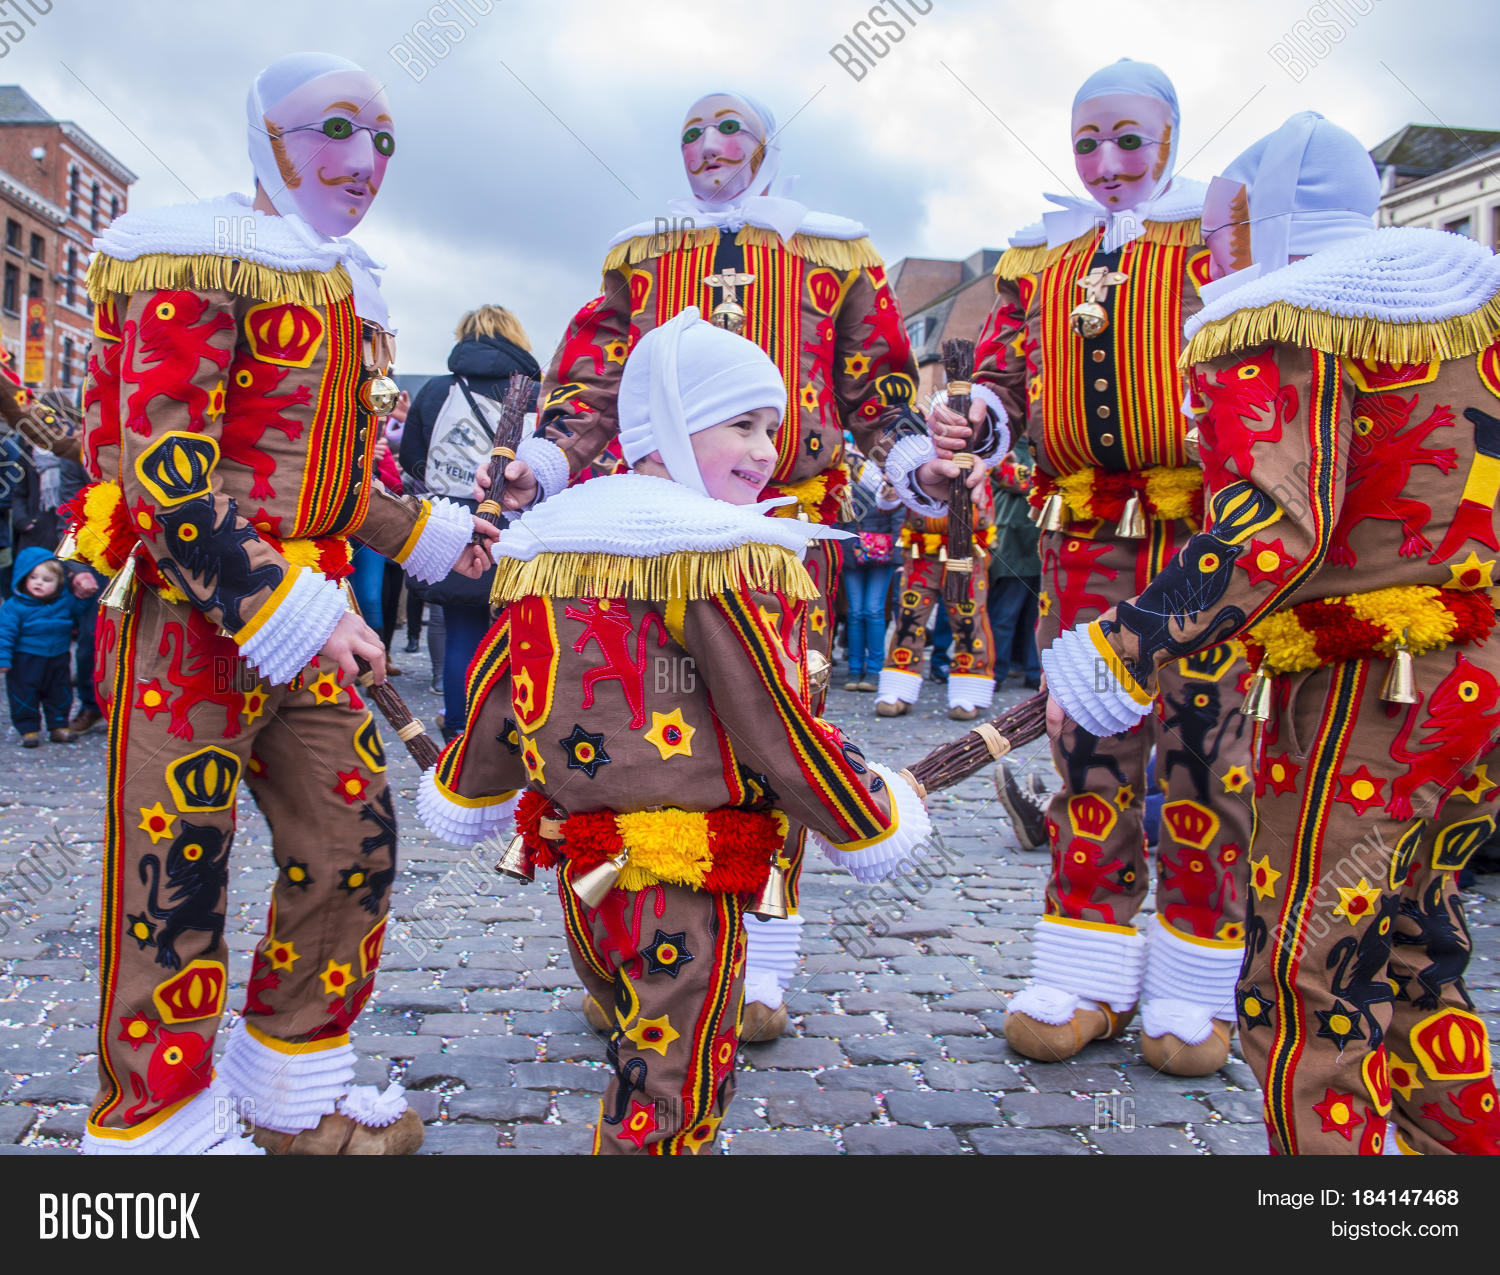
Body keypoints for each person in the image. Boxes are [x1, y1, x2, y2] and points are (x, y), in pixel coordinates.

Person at [1047, 112, 1500, 1155]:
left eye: (1214, 238)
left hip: (1362, 691)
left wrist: (1125, 645)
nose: (1206, 262)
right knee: (1414, 953)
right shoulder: (1465, 321)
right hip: (1473, 677)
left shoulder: (1281, 317)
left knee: (1309, 971)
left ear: (1251, 227)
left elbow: (1272, 526)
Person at [70, 52, 495, 1155]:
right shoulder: (196, 261)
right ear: (267, 138)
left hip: (311, 622)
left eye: (382, 139)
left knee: (354, 838)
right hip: (195, 621)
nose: (365, 160)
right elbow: (166, 477)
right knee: (175, 871)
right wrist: (291, 604)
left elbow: (327, 481)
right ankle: (157, 1121)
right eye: (336, 130)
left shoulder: (338, 285)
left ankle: (289, 1085)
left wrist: (433, 533)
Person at [497, 90, 979, 1039]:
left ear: (766, 147)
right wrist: (543, 459)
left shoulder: (832, 252)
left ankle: (759, 953)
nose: (708, 145)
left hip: (785, 533)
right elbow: (592, 380)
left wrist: (916, 459)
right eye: (690, 131)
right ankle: (634, 939)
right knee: (641, 726)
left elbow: (876, 389)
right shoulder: (641, 255)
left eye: (729, 129)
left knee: (775, 725)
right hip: (650, 532)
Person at [418, 308, 933, 1153]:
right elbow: (771, 719)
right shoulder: (710, 554)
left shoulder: (558, 540)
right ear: (665, 426)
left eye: (772, 428)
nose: (767, 451)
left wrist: (463, 786)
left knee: (638, 1044)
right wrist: (869, 813)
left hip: (588, 876)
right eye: (742, 424)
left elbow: (504, 689)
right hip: (684, 877)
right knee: (673, 1081)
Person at [948, 59, 1253, 1073]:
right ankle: (1087, 970)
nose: (1106, 162)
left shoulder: (1215, 234)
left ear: (1169, 138)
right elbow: (1004, 371)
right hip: (1082, 532)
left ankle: (1196, 979)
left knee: (1206, 744)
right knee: (1088, 740)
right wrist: (977, 412)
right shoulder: (1042, 256)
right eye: (1087, 143)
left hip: (1205, 536)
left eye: (1128, 140)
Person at [398, 305, 540, 742]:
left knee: (460, 626)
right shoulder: (533, 394)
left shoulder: (437, 390)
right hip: (518, 525)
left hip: (451, 522)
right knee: (519, 631)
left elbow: (411, 457)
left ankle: (460, 728)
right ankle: (512, 728)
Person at [876, 466, 998, 720]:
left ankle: (969, 687)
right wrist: (891, 488)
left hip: (966, 552)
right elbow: (889, 503)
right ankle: (898, 686)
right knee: (910, 618)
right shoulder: (914, 458)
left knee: (968, 620)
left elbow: (1017, 482)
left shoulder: (984, 455)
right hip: (921, 552)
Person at [0, 545, 90, 745]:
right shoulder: (15, 607)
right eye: (33, 578)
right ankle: (28, 729)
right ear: (24, 578)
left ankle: (58, 726)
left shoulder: (64, 602)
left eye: (47, 580)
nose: (39, 582)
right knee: (23, 695)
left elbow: (80, 610)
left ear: (59, 584)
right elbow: (4, 634)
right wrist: (3, 658)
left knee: (60, 693)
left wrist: (86, 597)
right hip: (25, 659)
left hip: (58, 658)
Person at [837, 453, 902, 693]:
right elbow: (841, 520)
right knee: (855, 612)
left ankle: (874, 670)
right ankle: (855, 670)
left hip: (881, 556)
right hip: (852, 552)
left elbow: (898, 518)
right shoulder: (846, 481)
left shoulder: (890, 479)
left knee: (873, 611)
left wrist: (898, 557)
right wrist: (845, 548)